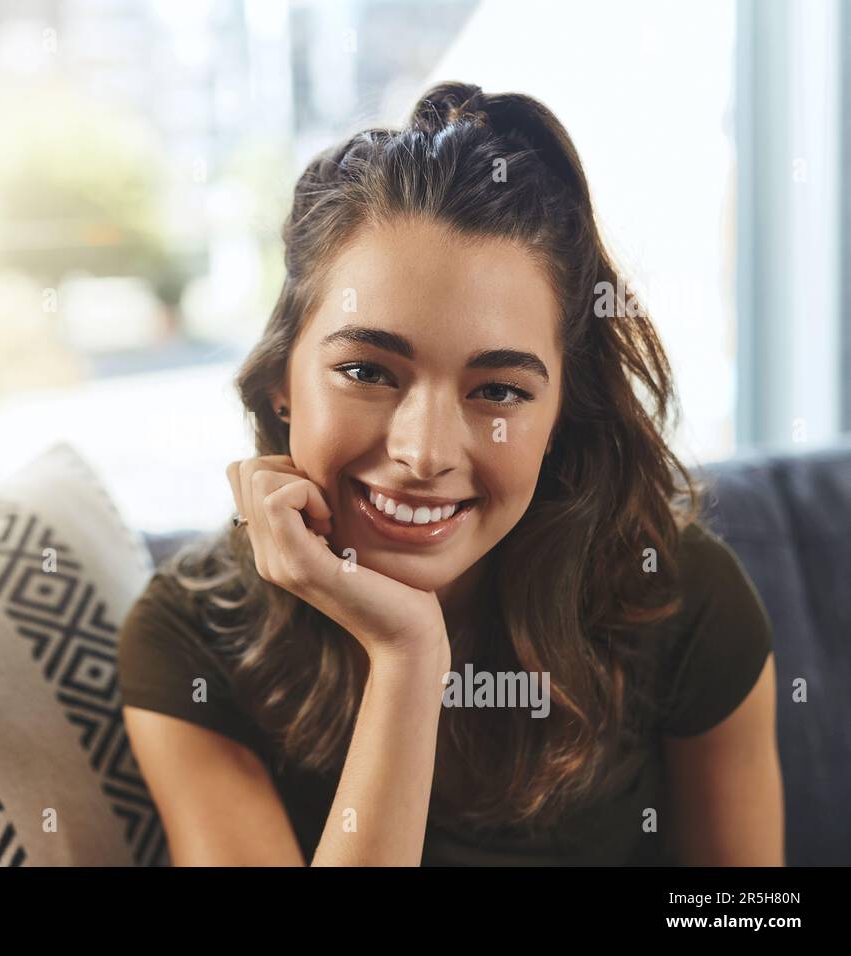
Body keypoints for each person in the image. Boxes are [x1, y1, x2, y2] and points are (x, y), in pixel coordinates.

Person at [116, 81, 783, 866]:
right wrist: (407, 660)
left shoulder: (675, 594)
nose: (425, 453)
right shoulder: (192, 640)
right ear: (281, 385)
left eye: (498, 390)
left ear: (560, 417)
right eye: (368, 371)